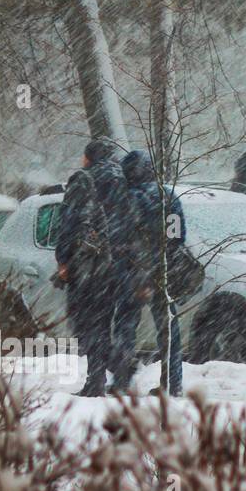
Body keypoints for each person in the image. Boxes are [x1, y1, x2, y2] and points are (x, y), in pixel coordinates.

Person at [55, 138, 136, 397]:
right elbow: (130, 224)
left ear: (88, 157)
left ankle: (113, 369)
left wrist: (64, 259)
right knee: (101, 323)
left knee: (84, 324)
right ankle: (101, 378)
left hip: (86, 264)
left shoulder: (83, 180)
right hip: (114, 265)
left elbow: (69, 222)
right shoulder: (123, 182)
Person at [112, 149, 185, 396]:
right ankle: (173, 384)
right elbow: (177, 236)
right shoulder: (169, 195)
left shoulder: (129, 198)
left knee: (125, 327)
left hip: (134, 272)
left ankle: (122, 382)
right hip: (164, 273)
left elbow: (124, 239)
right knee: (169, 332)